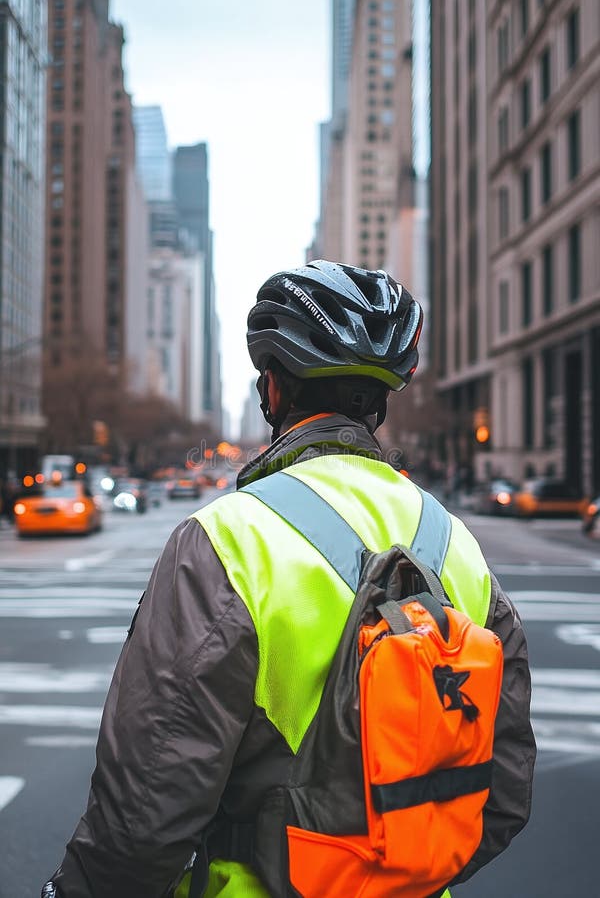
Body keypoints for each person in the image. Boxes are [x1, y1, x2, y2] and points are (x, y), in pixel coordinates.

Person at [42, 260, 536, 898]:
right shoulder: (459, 547)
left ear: (271, 390)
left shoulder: (227, 541)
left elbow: (145, 810)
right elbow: (502, 793)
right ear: (382, 400)